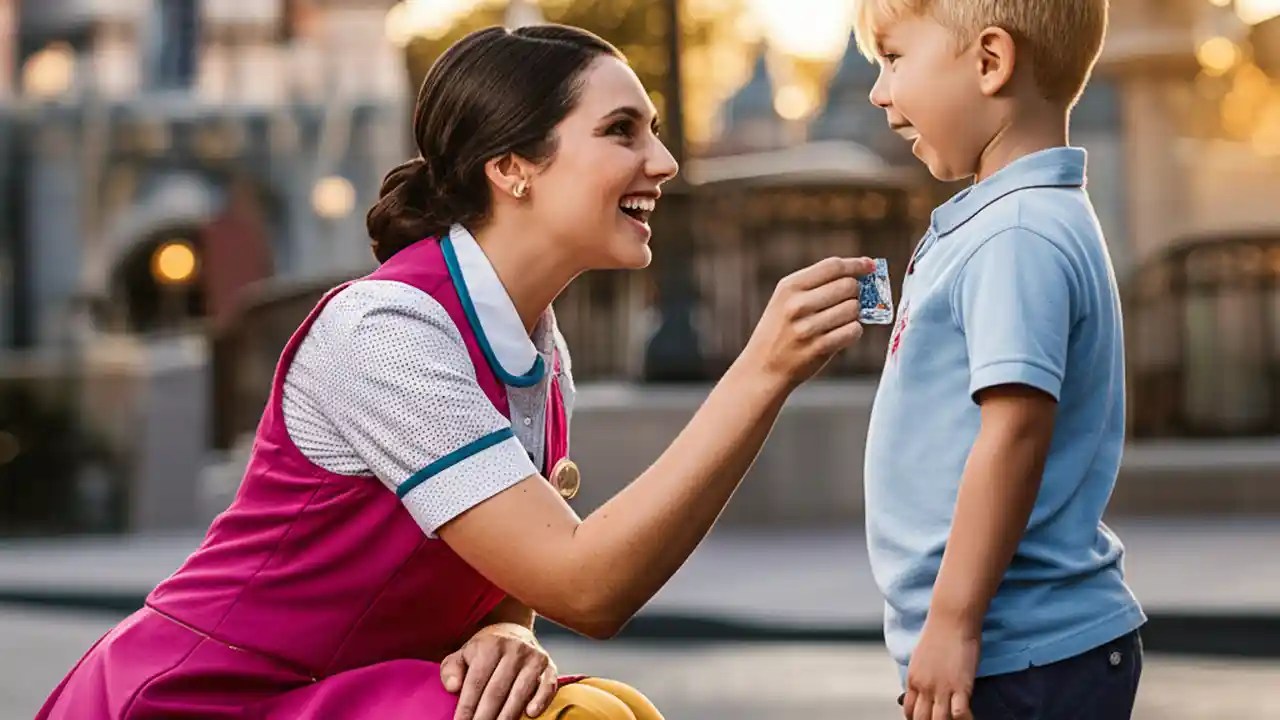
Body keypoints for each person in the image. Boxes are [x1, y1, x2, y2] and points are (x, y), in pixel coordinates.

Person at [37, 24, 874, 720]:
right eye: (622, 131)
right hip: (202, 700)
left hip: (336, 692)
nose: (664, 162)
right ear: (510, 168)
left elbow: (509, 575)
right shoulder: (387, 334)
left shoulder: (535, 348)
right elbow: (588, 586)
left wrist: (510, 634)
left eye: (652, 130)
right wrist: (763, 370)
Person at [852, 1, 1147, 719]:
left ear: (990, 61)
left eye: (893, 59)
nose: (878, 92)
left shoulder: (1016, 233)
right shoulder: (1009, 220)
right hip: (1016, 646)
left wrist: (953, 622)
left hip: (1020, 650)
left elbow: (1014, 432)